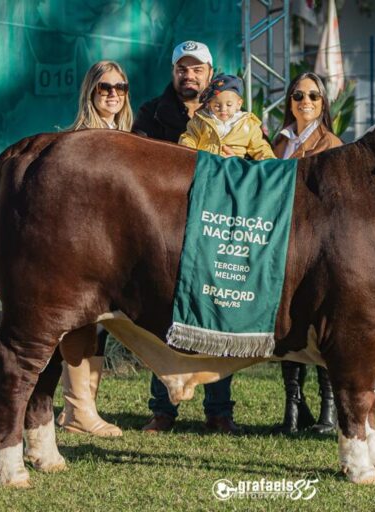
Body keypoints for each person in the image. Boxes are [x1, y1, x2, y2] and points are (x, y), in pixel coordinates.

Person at [132, 41, 239, 434]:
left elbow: (258, 159)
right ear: (173, 72)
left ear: (210, 73)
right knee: (164, 316)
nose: (189, 75)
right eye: (182, 68)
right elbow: (139, 164)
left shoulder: (237, 114)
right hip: (166, 230)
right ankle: (163, 409)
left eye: (196, 69)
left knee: (218, 316)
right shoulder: (151, 113)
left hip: (217, 227)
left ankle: (219, 411)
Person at [56, 60, 134, 437]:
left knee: (100, 326)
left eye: (120, 87)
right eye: (105, 87)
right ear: (91, 91)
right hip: (82, 248)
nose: (113, 94)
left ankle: (83, 408)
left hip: (115, 251)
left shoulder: (131, 139)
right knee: (80, 323)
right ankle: (77, 411)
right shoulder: (77, 139)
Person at [270, 72, 343, 435]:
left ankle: (329, 412)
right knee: (289, 323)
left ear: (323, 102)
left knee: (321, 324)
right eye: (298, 95)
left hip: (316, 246)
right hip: (282, 241)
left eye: (313, 96)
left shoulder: (331, 143)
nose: (305, 102)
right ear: (290, 101)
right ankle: (293, 408)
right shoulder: (279, 140)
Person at [178, 74, 275, 160]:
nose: (223, 109)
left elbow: (260, 147)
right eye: (217, 105)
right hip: (206, 166)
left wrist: (268, 161)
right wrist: (189, 156)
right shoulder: (200, 121)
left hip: (234, 169)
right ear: (209, 104)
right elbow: (189, 138)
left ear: (239, 104)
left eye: (229, 105)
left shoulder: (248, 125)